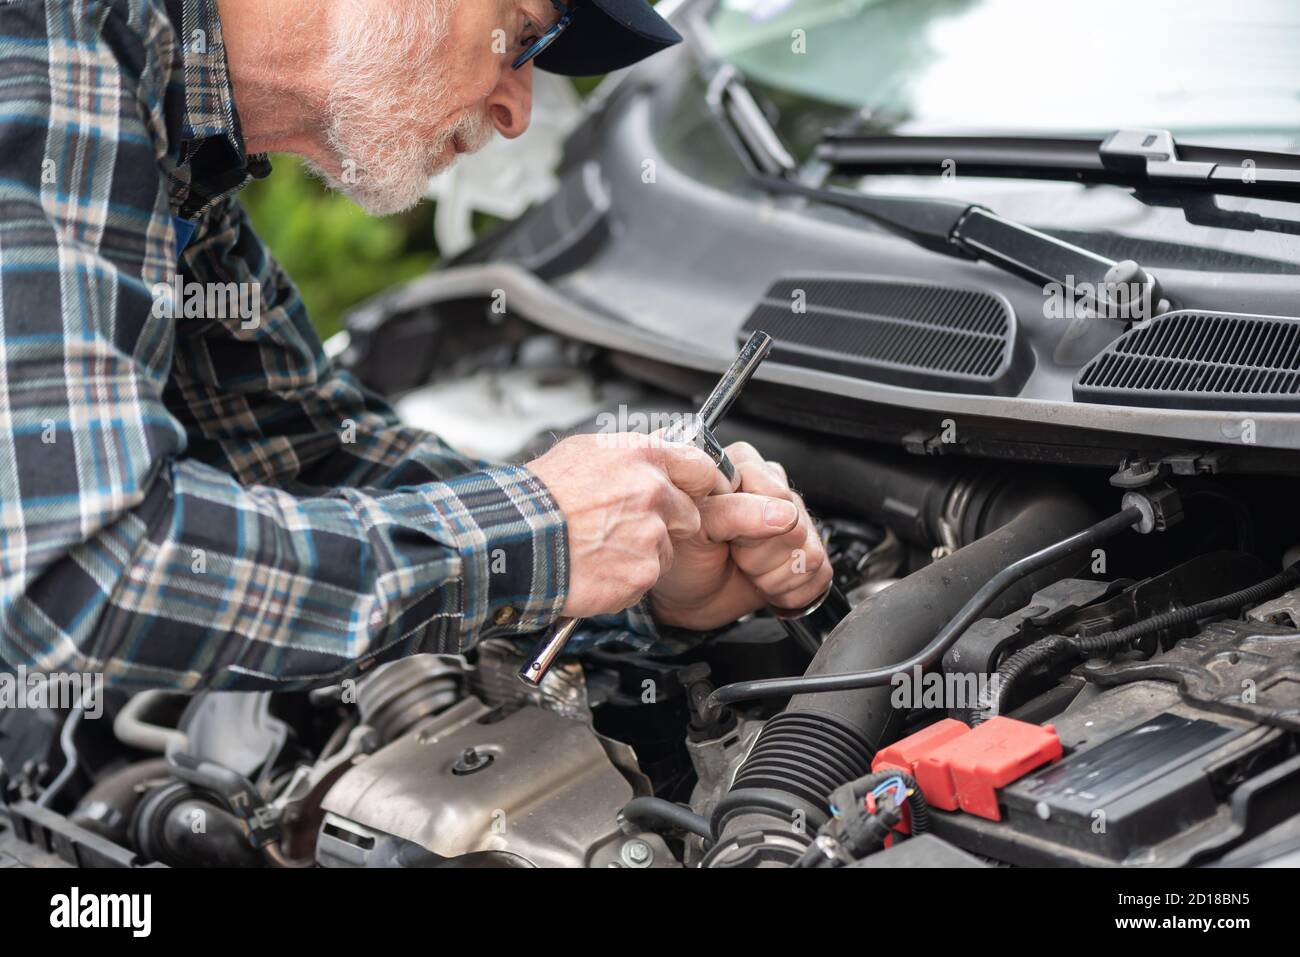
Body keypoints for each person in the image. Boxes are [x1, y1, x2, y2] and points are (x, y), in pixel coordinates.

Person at [0, 0, 831, 691]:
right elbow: (81, 572)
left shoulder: (181, 156)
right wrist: (540, 530)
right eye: (522, 36)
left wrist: (643, 571)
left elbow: (303, 451)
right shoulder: (46, 49)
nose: (517, 111)